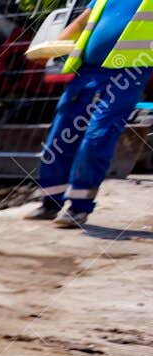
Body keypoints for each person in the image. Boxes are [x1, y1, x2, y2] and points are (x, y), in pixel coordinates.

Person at [30, 0, 153, 227]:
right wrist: (52, 47)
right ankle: (50, 202)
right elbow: (81, 22)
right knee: (60, 134)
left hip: (128, 73)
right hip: (88, 71)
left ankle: (79, 207)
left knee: (98, 136)